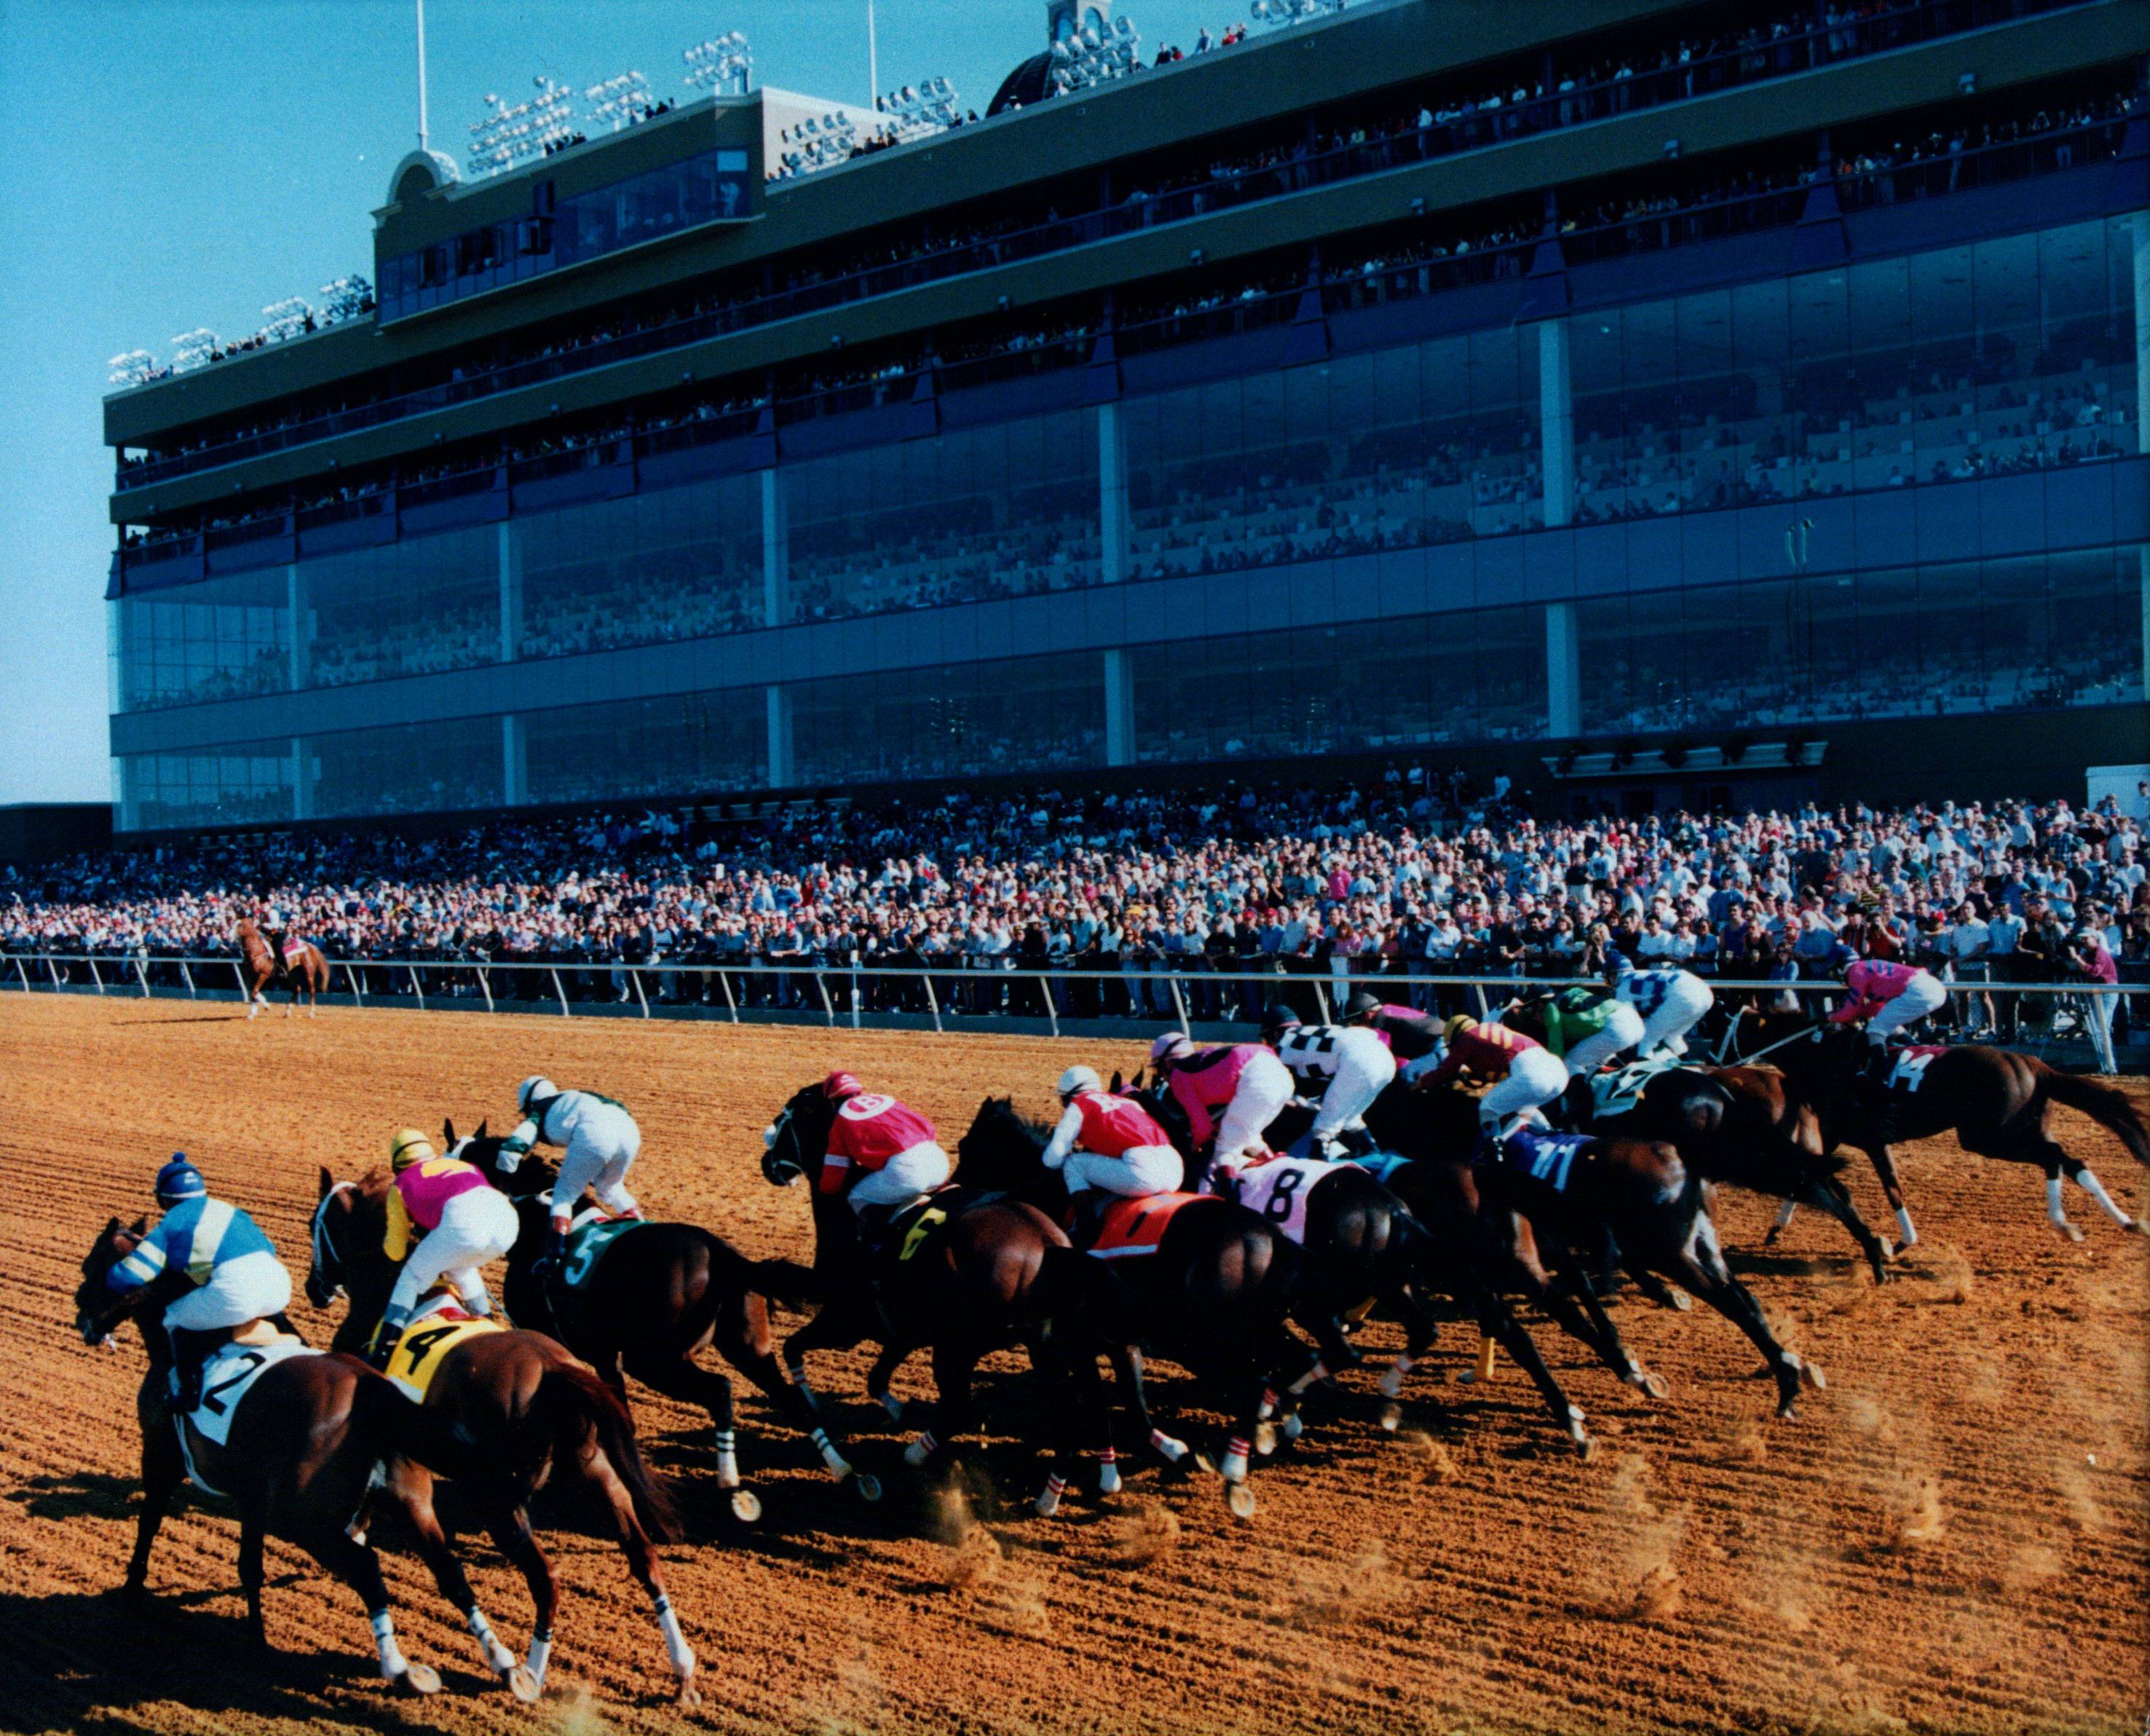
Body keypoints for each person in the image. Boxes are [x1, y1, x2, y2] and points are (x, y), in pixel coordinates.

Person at [106, 1155, 292, 1413]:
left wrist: (111, 1276)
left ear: (163, 1198)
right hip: (278, 1285)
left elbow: (134, 1275)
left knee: (174, 1316)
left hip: (235, 1292)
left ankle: (187, 1391)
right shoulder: (229, 1209)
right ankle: (299, 1345)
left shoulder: (173, 1222)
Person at [376, 1129, 518, 1357]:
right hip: (507, 1225)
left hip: (464, 1229)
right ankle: (487, 1324)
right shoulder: (462, 1165)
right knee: (462, 1267)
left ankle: (384, 1349)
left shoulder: (401, 1184)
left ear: (396, 1165)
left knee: (411, 1278)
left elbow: (396, 1251)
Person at [497, 1076, 643, 1273]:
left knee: (564, 1194)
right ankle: (642, 1227)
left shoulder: (538, 1110)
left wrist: (504, 1182)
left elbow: (512, 1150)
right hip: (629, 1130)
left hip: (595, 1133)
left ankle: (554, 1257)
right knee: (610, 1187)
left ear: (530, 1103)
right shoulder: (573, 1096)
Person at [1039, 1065, 1182, 1233]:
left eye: (1063, 1099)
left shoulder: (1078, 1104)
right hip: (1175, 1169)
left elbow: (1053, 1159)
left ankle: (1085, 1227)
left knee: (1074, 1163)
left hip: (1143, 1173)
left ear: (1069, 1096)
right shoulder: (1128, 1102)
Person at [818, 1071, 952, 1236]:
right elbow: (928, 1127)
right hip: (938, 1161)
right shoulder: (887, 1100)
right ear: (859, 1091)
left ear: (832, 1101)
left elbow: (834, 1174)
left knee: (857, 1196)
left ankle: (876, 1239)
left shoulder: (841, 1120)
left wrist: (826, 1191)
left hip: (907, 1174)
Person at [1149, 1032, 1293, 1181]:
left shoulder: (1178, 1076)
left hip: (1257, 1080)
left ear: (1167, 1064)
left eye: (1158, 1069)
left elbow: (1202, 1125)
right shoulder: (1204, 1060)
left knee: (1225, 1150)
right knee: (1246, 1133)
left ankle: (1226, 1190)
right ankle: (1270, 1160)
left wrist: (1196, 1143)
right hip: (1282, 1076)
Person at [1259, 1005, 1396, 1157]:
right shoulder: (1308, 1034)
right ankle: (1374, 1156)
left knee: (1324, 1128)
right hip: (1385, 1059)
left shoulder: (1284, 1046)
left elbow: (1281, 1091)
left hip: (1358, 1060)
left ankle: (1319, 1166)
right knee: (1351, 1118)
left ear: (1275, 1033)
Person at [1418, 1014, 1569, 1141]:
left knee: (1487, 1107)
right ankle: (1550, 1132)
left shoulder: (1468, 1038)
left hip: (1533, 1075)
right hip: (1559, 1073)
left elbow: (1445, 1071)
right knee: (1523, 1106)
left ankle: (1492, 1148)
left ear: (1457, 1036)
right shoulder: (1491, 1028)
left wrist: (1420, 1083)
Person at [1506, 984, 1647, 1077]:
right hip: (1633, 1019)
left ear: (1539, 1004)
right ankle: (1630, 1073)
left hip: (1616, 1028)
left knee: (1570, 1062)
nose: (1535, 1019)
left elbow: (1556, 1049)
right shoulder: (1572, 991)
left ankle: (1578, 1108)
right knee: (1598, 1055)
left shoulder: (1550, 1009)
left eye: (1532, 1011)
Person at [1828, 953, 1947, 1061]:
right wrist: (1856, 1014)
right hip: (1933, 987)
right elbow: (1876, 1009)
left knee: (1875, 1030)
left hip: (1918, 990)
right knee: (1887, 1023)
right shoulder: (1865, 968)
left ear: (1841, 968)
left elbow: (1849, 1012)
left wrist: (1829, 1017)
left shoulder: (1856, 971)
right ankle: (1915, 1050)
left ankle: (1879, 1075)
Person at [1605, 952, 1715, 1060]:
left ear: (1614, 974)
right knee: (1672, 1037)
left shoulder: (1623, 986)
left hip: (1683, 994)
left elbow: (1628, 1021)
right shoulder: (1638, 976)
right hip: (1705, 992)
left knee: (1646, 1040)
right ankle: (1689, 1066)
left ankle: (1644, 1072)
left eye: (1608, 978)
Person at [1342, 990, 1444, 1081]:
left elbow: (1383, 1059)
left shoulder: (1380, 1023)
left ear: (1367, 1015)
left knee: (1404, 1076)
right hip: (1444, 1040)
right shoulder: (1388, 1010)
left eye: (1355, 1021)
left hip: (1441, 1047)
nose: (1355, 1026)